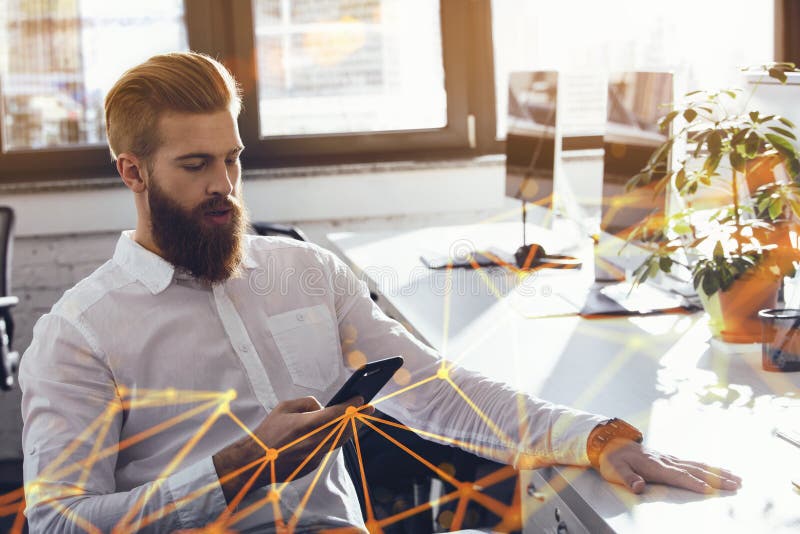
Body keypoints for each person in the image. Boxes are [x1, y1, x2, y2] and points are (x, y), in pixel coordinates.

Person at [19, 52, 740, 533]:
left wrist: (592, 434)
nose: (224, 187)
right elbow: (57, 521)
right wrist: (233, 468)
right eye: (196, 164)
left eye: (234, 159)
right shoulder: (79, 333)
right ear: (133, 173)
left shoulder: (303, 273)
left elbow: (434, 389)